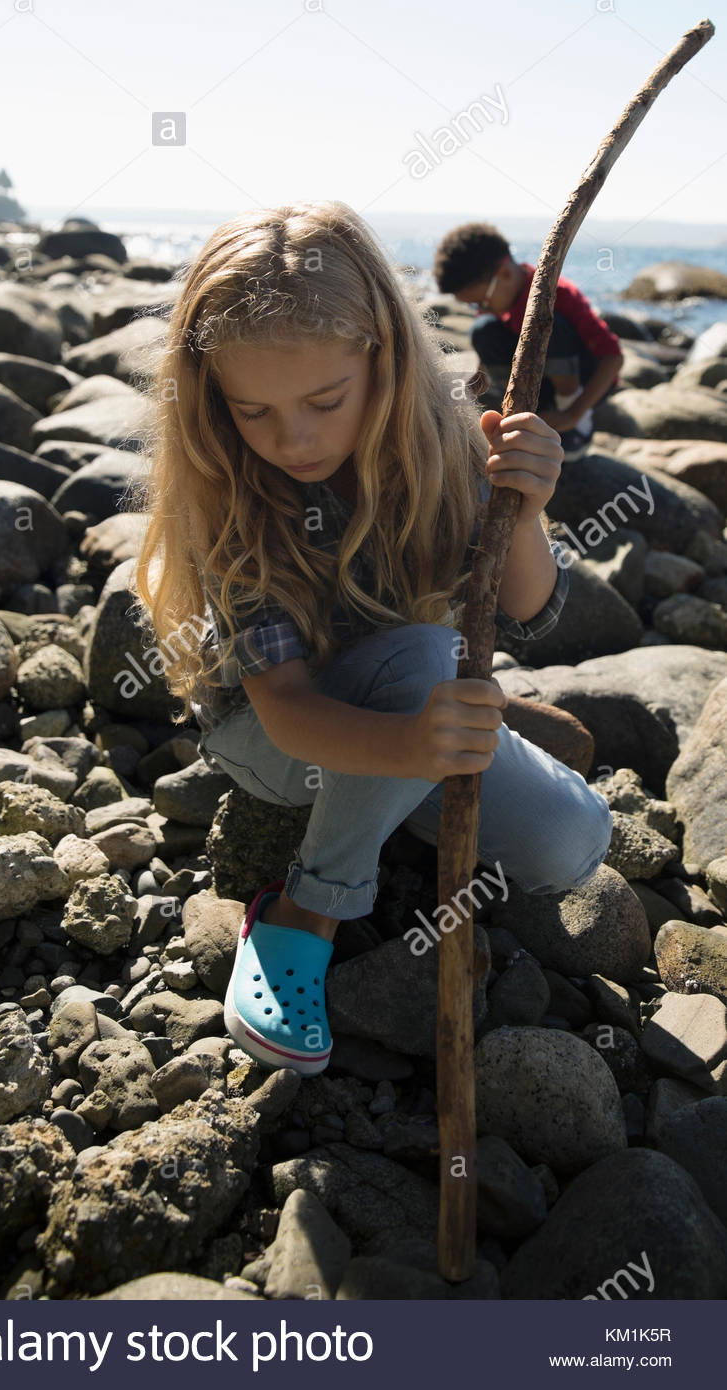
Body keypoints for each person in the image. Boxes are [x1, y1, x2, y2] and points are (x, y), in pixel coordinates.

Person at [132, 200, 613, 1077]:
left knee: (573, 842)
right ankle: (301, 913)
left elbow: (535, 611)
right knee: (429, 663)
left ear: (384, 361)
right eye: (254, 411)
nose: (294, 439)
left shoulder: (444, 448)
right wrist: (411, 739)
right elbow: (287, 713)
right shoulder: (237, 497)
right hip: (280, 745)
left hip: (404, 712)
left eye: (325, 400)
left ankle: (428, 757)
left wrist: (527, 512)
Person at [433, 222, 624, 462]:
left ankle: (575, 428)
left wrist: (574, 414)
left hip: (585, 379)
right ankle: (533, 411)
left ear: (504, 274)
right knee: (483, 330)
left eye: (481, 302)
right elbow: (483, 361)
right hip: (543, 375)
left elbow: (614, 357)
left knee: (547, 324)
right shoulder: (497, 297)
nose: (479, 308)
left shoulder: (557, 294)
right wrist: (463, 395)